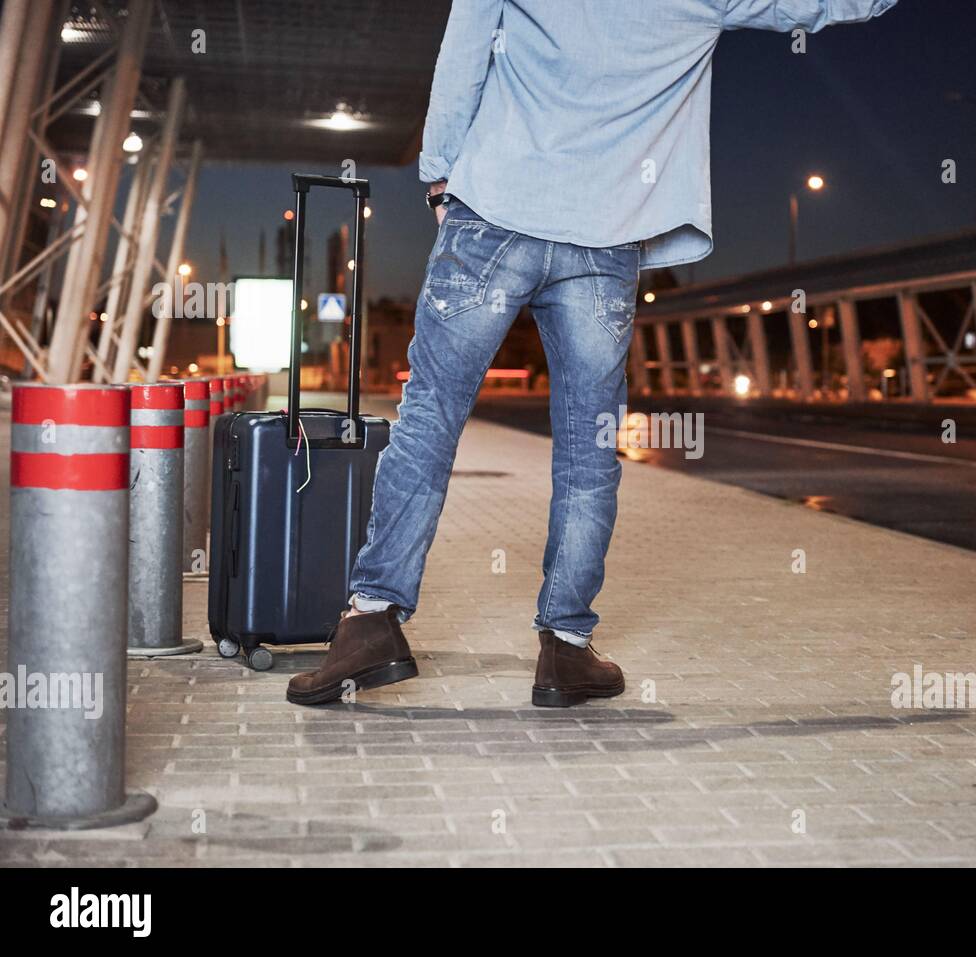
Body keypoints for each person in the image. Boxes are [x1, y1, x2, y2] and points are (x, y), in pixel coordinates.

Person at [286, 0, 900, 708]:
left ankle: (372, 622)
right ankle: (565, 649)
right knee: (587, 452)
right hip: (605, 238)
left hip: (493, 215)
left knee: (428, 421)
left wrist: (441, 175)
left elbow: (463, 54)